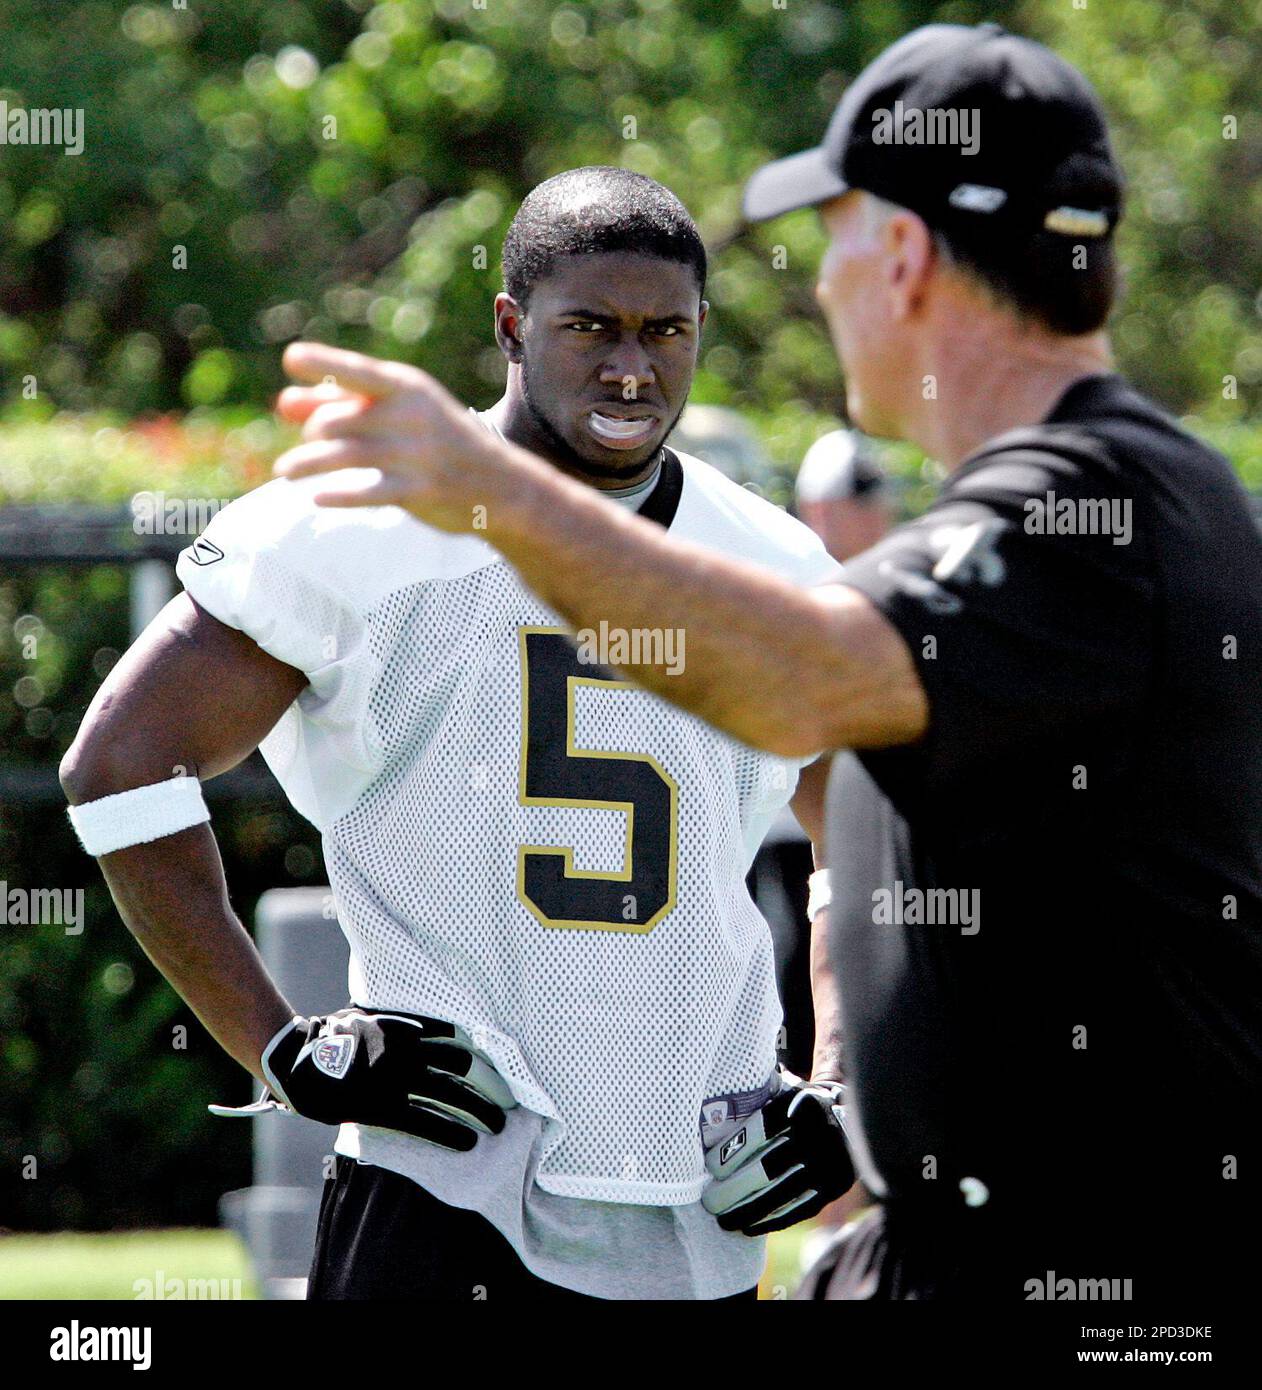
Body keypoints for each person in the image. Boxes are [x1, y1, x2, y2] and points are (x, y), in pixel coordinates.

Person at [269, 24, 1262, 1301]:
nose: (819, 280)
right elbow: (863, 813)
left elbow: (798, 680)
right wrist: (848, 1099)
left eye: (838, 233)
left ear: (900, 255)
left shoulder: (1090, 509)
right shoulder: (1124, 490)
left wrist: (493, 489)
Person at [60, 166, 853, 1302]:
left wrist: (837, 1081)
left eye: (663, 332)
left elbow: (869, 843)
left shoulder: (767, 566)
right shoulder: (365, 522)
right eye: (590, 327)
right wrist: (279, 1047)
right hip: (443, 1173)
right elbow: (120, 766)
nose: (630, 368)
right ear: (511, 327)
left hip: (692, 1188)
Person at [794, 428, 895, 563]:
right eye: (861, 502)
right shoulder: (788, 574)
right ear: (817, 512)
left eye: (879, 501)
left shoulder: (894, 572)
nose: (876, 517)